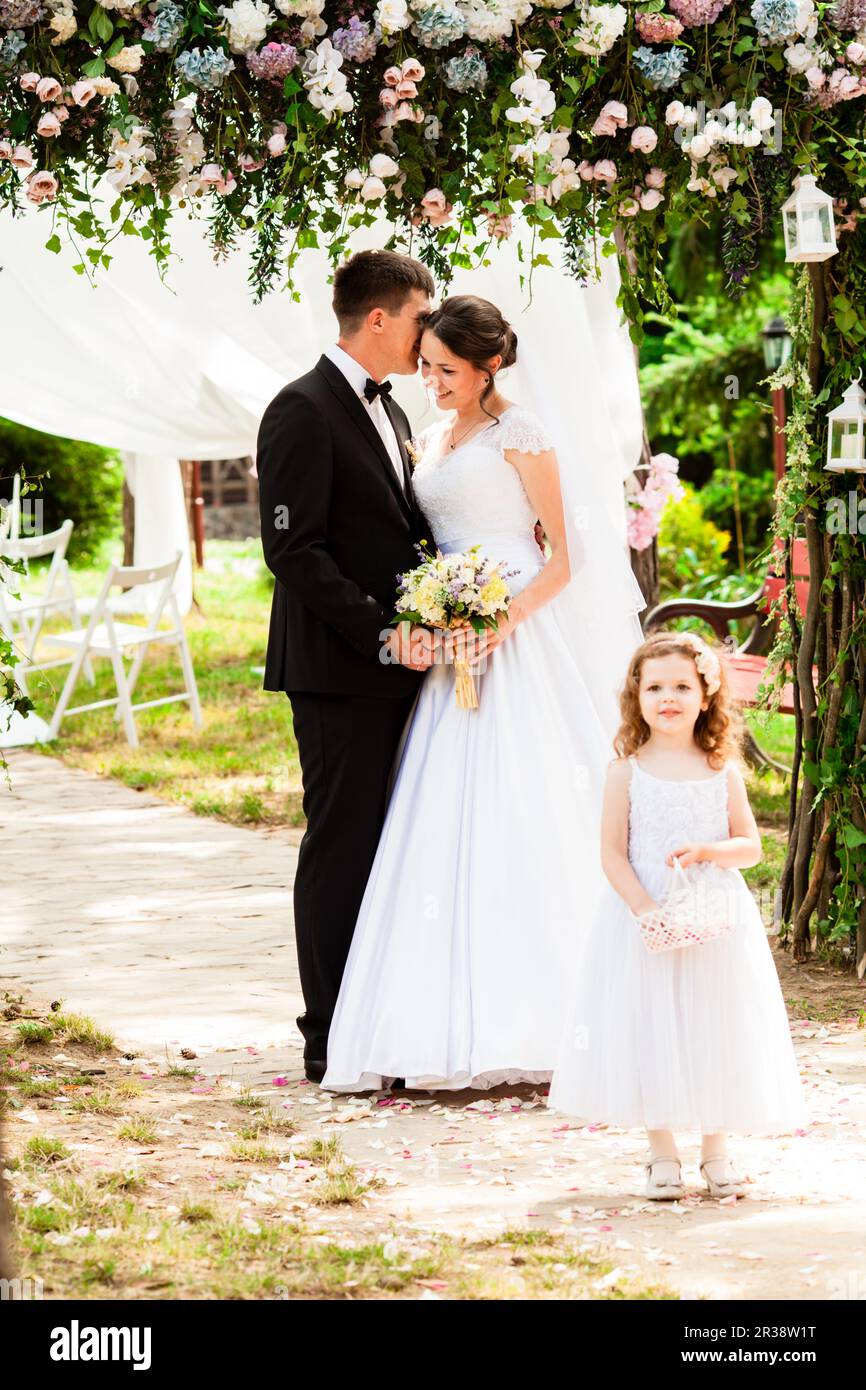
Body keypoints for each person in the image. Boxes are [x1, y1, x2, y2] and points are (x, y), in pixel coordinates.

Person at [322, 294, 645, 1093]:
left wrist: (498, 621)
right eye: (425, 365)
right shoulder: (428, 437)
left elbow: (567, 559)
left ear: (489, 366)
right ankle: (436, 1023)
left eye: (447, 369)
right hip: (450, 644)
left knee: (525, 805)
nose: (430, 379)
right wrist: (441, 610)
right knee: (442, 818)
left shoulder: (523, 435)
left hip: (517, 639)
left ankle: (552, 1018)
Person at [256, 250, 438, 1084]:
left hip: (405, 665)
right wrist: (381, 634)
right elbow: (294, 551)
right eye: (417, 318)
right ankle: (327, 1031)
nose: (424, 333)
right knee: (341, 843)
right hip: (338, 667)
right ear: (378, 318)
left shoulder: (395, 412)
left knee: (391, 844)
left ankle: (381, 1021)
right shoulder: (299, 409)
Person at [548, 629, 808, 1199]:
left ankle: (716, 1151)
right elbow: (612, 854)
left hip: (715, 917)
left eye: (682, 686)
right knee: (652, 1024)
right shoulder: (626, 771)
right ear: (636, 697)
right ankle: (660, 1151)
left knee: (715, 1024)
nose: (669, 697)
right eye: (656, 687)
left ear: (706, 695)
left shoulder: (721, 769)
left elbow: (751, 846)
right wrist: (645, 910)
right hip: (646, 917)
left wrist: (709, 852)